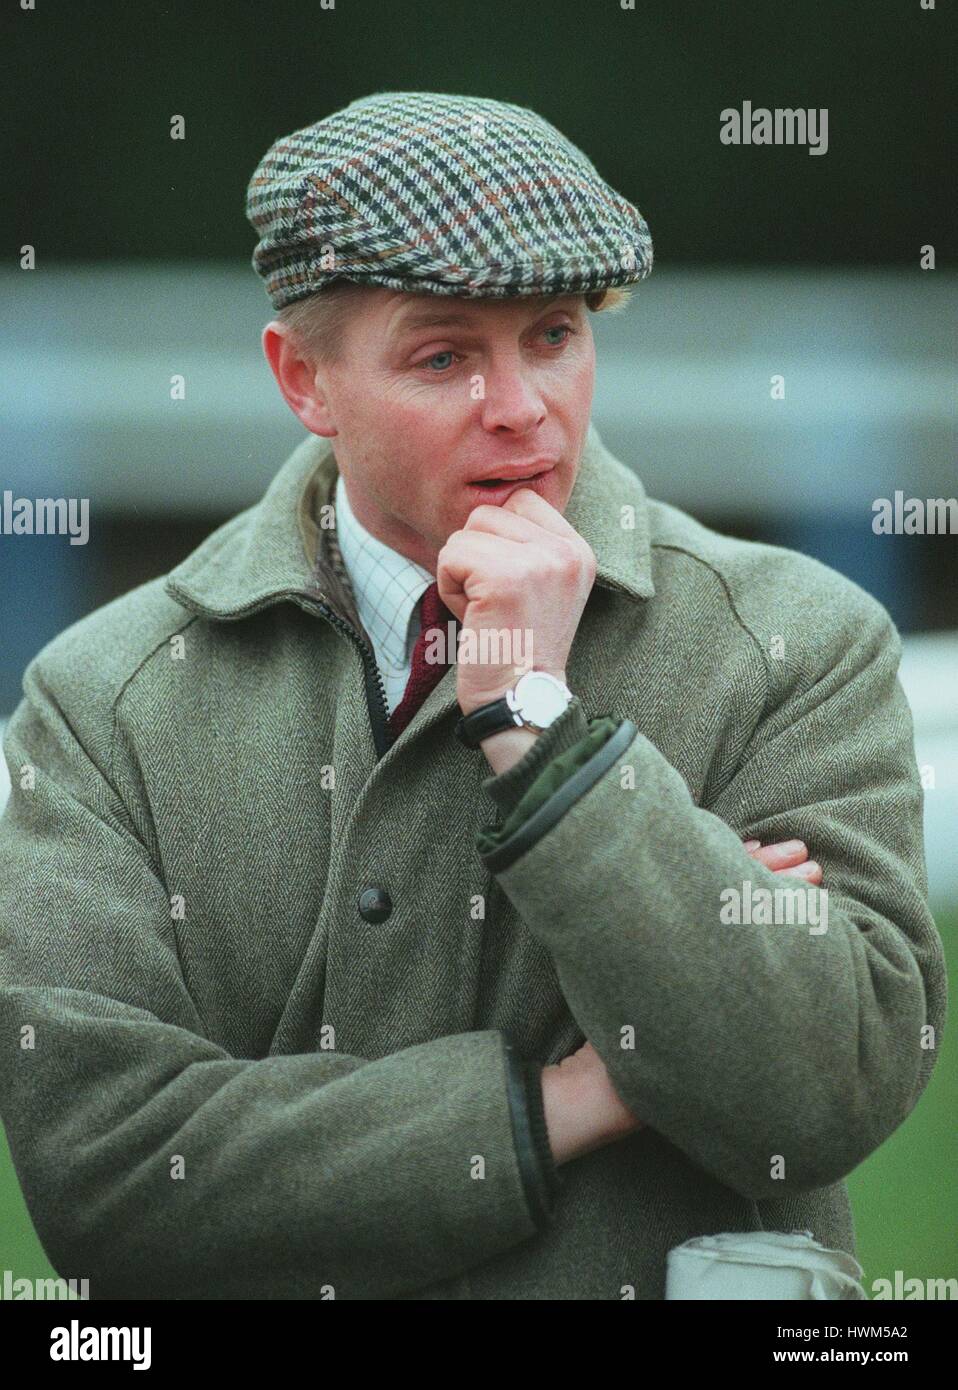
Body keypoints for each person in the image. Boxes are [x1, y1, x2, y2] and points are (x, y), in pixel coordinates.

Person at [0, 92, 945, 1301]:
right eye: (444, 355)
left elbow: (822, 1090)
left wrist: (541, 730)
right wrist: (571, 1098)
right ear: (304, 380)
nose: (521, 407)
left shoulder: (795, 639)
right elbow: (111, 1179)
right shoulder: (103, 698)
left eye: (552, 335)